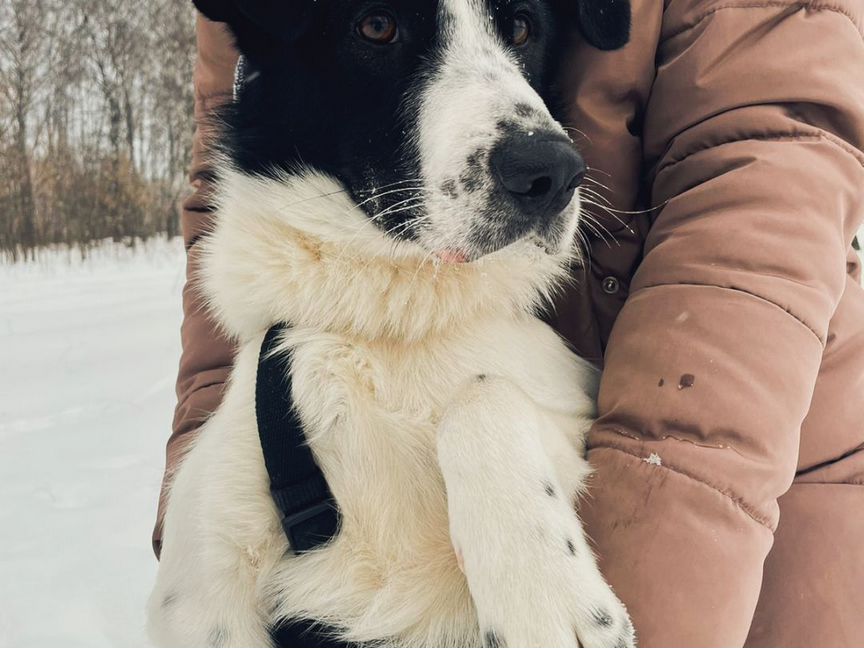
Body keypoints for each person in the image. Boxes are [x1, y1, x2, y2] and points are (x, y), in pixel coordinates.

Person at [153, 2, 864, 646]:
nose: (534, 137)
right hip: (310, 276)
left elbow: (760, 199)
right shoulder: (269, 362)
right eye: (380, 27)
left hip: (743, 480)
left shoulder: (511, 364)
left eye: (518, 29)